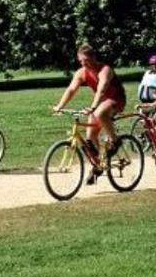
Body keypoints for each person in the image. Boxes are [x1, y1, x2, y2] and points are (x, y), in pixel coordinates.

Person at [53, 43, 127, 184]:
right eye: (81, 61)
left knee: (99, 112)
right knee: (90, 137)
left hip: (116, 100)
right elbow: (71, 89)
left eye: (86, 60)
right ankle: (98, 166)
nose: (83, 63)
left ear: (93, 57)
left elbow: (102, 89)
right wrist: (59, 106)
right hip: (101, 102)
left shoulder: (105, 70)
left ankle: (115, 141)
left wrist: (93, 106)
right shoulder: (81, 72)